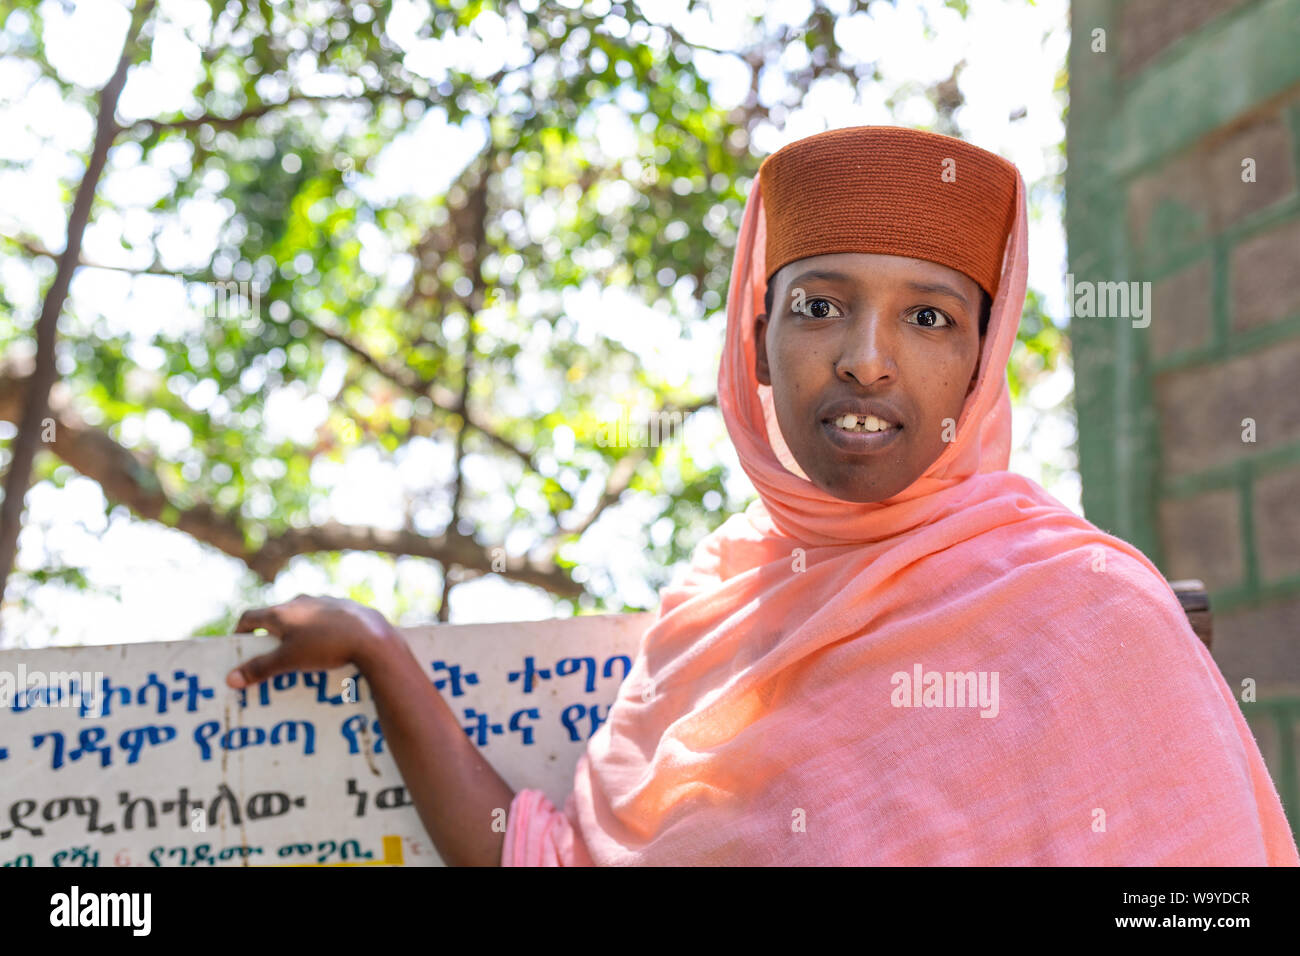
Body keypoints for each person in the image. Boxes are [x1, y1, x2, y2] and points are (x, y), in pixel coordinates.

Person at [228, 125, 1300, 866]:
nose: (867, 360)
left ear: (983, 362)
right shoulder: (711, 608)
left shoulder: (1088, 612)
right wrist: (377, 648)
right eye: (820, 305)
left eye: (929, 317)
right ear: (757, 338)